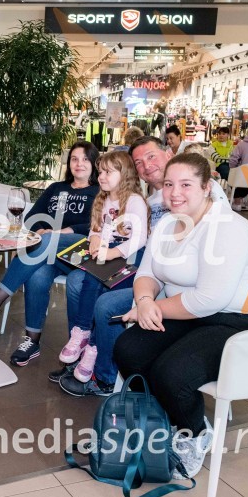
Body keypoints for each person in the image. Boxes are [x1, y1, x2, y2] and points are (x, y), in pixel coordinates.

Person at [113, 153, 248, 479]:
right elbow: (147, 273)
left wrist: (155, 308)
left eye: (186, 184)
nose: (175, 192)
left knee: (172, 372)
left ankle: (194, 433)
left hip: (245, 321)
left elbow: (210, 298)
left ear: (207, 187)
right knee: (129, 349)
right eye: (168, 184)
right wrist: (145, 300)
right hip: (196, 314)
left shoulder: (227, 228)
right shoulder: (167, 224)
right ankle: (165, 419)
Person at [55, 136, 229, 395]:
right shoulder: (149, 198)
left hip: (171, 277)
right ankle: (80, 349)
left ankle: (104, 375)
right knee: (76, 281)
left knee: (105, 303)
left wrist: (146, 295)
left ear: (168, 153)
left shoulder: (201, 200)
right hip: (150, 269)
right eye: (139, 162)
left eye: (151, 156)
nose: (146, 165)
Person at [0, 140, 100, 366]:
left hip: (80, 252)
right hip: (49, 252)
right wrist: (40, 230)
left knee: (49, 239)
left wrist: (64, 231)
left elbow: (97, 224)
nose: (79, 164)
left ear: (94, 163)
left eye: (85, 159)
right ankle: (32, 341)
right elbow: (32, 217)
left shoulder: (99, 191)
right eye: (74, 159)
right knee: (37, 274)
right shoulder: (56, 188)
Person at [57, 151, 148, 382]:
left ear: (124, 174)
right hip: (107, 254)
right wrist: (95, 240)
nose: (101, 176)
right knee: (90, 275)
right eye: (101, 172)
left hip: (130, 257)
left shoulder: (134, 201)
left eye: (108, 172)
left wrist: (112, 253)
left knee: (102, 290)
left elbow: (140, 238)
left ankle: (93, 347)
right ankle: (82, 332)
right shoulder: (103, 199)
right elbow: (95, 230)